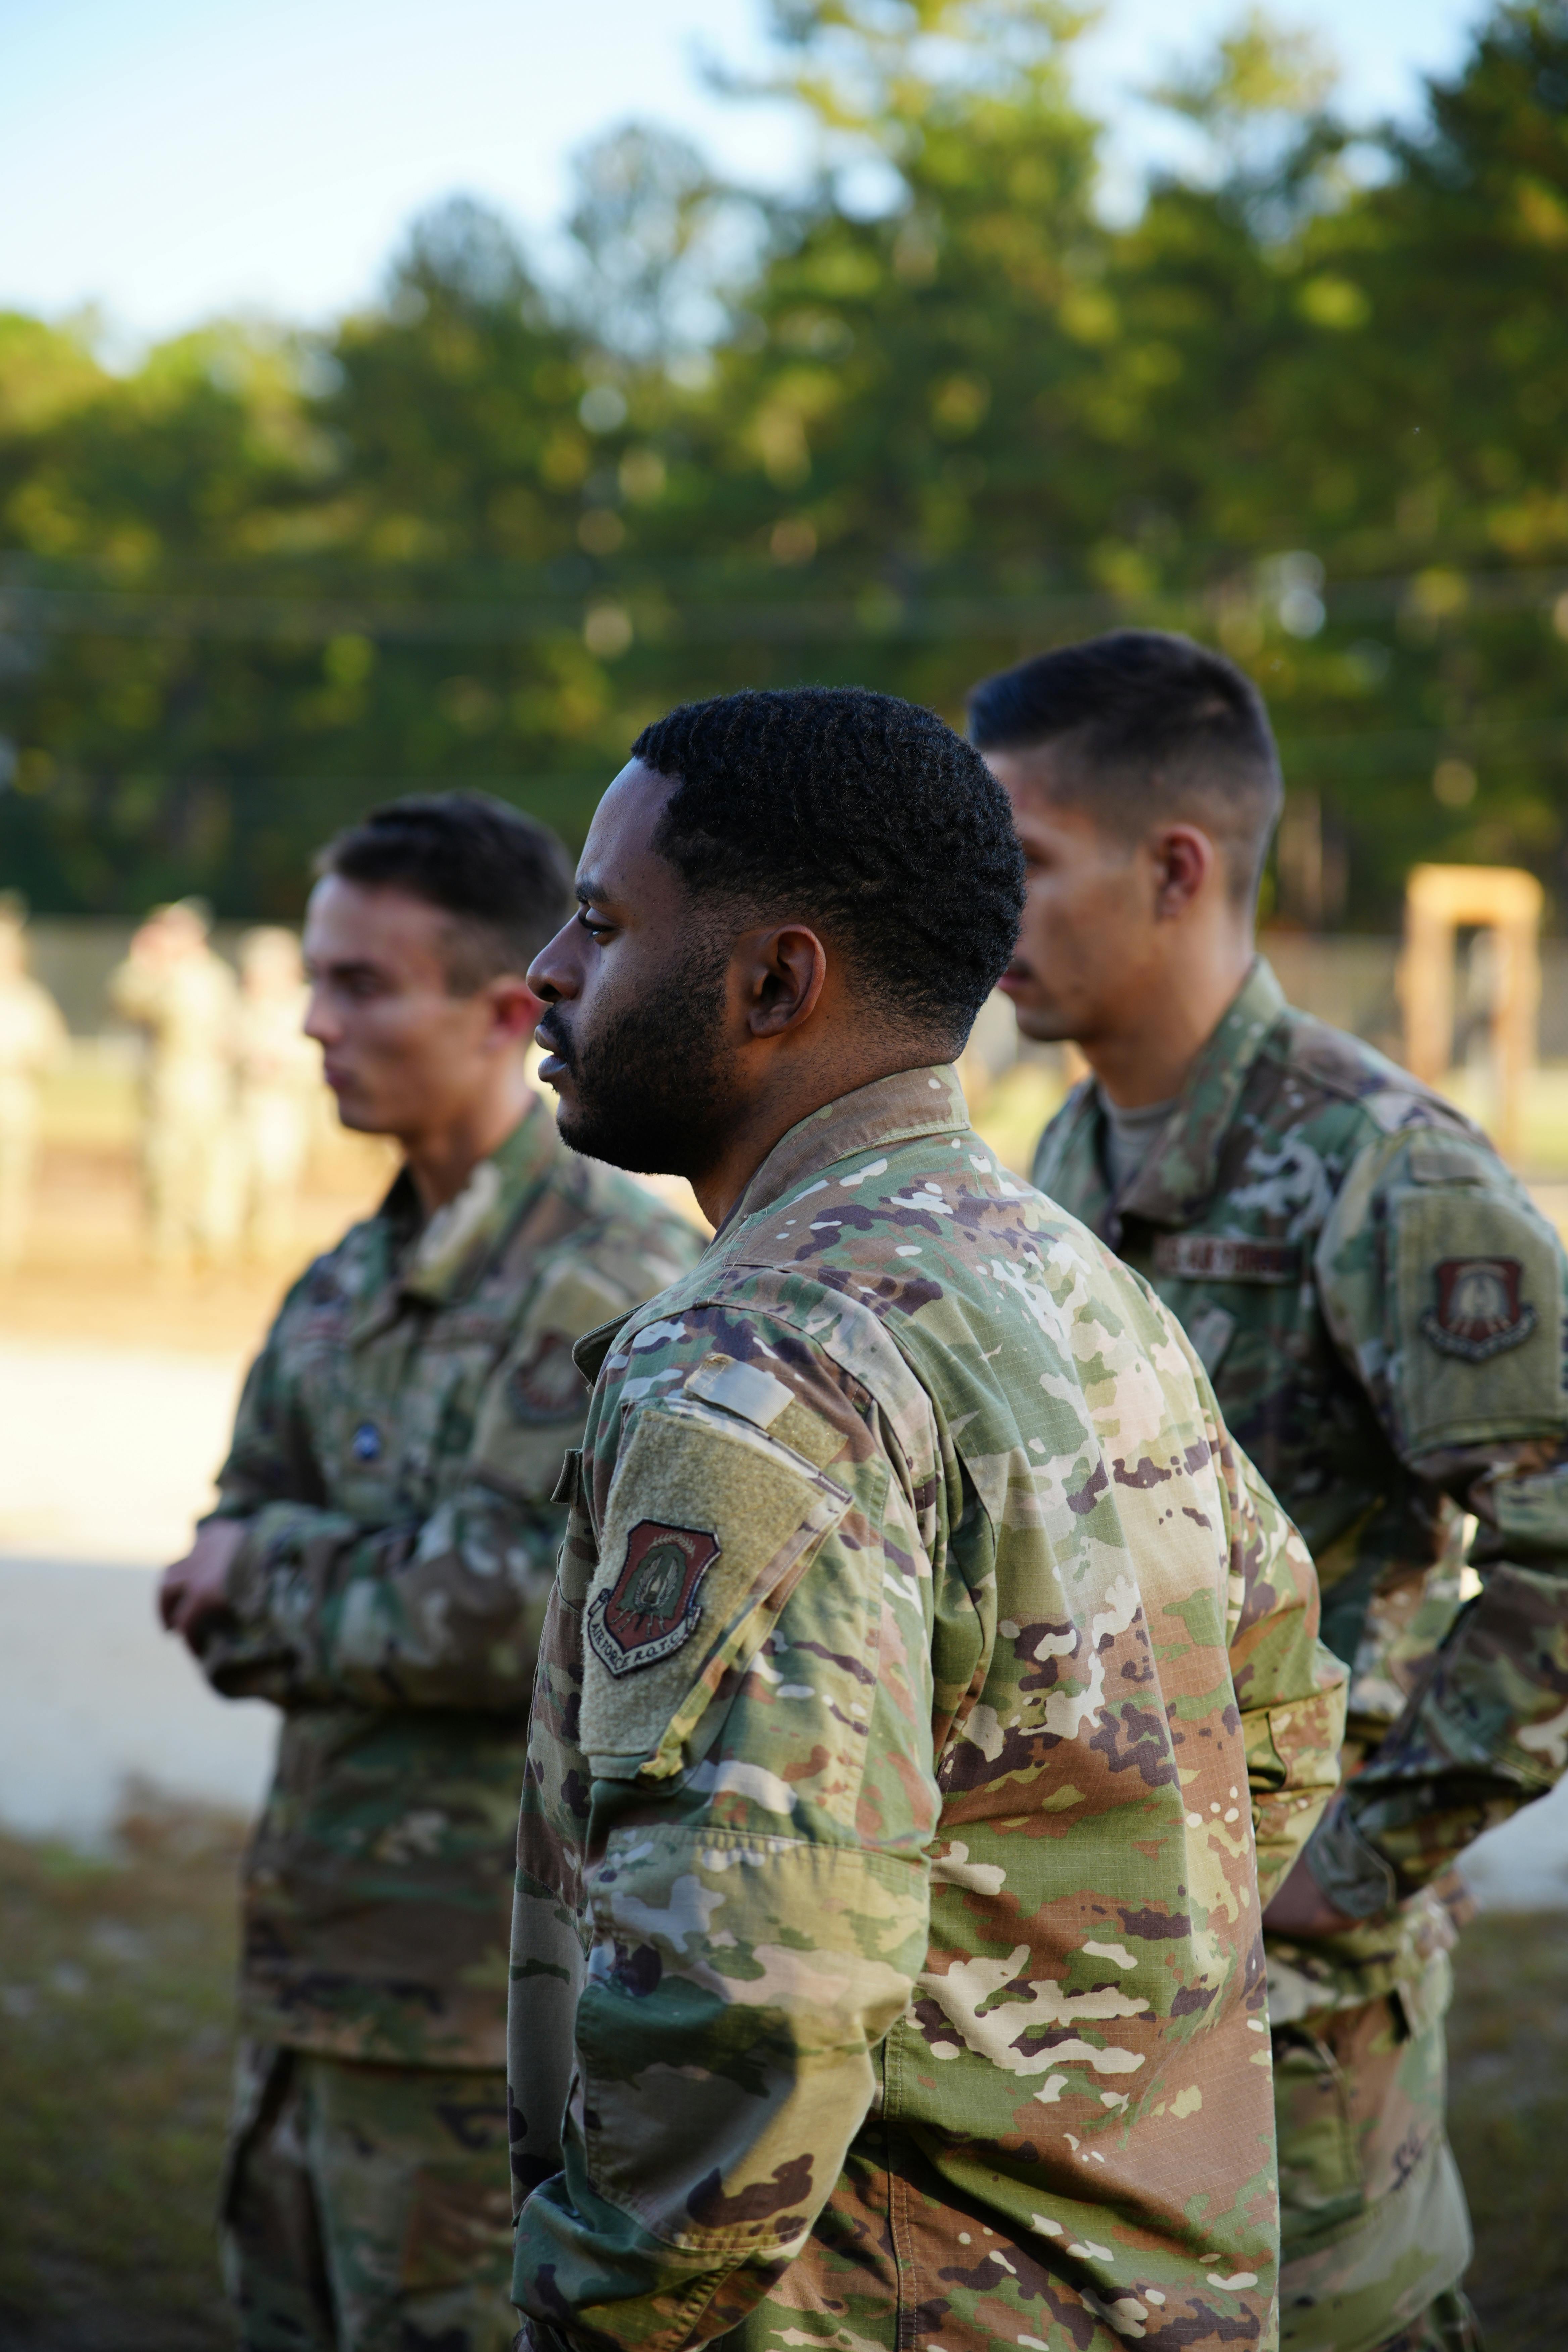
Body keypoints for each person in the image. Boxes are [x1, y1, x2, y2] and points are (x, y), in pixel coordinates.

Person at [506, 687, 1346, 2352]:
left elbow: (750, 1995)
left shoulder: (752, 1365)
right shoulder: (1062, 1273)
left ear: (771, 983)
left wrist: (595, 2318)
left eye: (600, 923)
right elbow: (1282, 1730)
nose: (542, 970)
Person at [971, 627, 1568, 2352]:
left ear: (1174, 866)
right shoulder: (1071, 1153)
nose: (979, 913)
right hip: (1094, 1997)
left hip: (1297, 2023)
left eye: (1017, 864)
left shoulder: (1382, 1172)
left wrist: (1365, 1857)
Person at [157, 792, 703, 2352]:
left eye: (359, 985)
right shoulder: (344, 1281)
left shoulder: (603, 1279)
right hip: (315, 1971)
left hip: (485, 2018)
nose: (313, 1025)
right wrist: (286, 1571)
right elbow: (219, 1550)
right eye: (314, 980)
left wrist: (273, 1570)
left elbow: (515, 1616)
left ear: (502, 1010)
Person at [109, 896, 241, 1264]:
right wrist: (145, 961)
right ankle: (168, 1246)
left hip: (211, 1088)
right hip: (166, 1090)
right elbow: (126, 1001)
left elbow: (232, 1029)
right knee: (164, 1168)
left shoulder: (214, 975)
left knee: (214, 1169)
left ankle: (213, 1243)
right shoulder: (153, 976)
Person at [234, 924, 322, 1256]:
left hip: (283, 1107)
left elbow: (314, 1059)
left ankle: (270, 1244)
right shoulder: (243, 1007)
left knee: (275, 1175)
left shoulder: (302, 1007)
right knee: (236, 1180)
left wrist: (281, 1066)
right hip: (241, 1106)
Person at [0, 893, 67, 1267]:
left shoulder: (30, 1001)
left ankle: (5, 1247)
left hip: (15, 1095)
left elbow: (51, 1054)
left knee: (12, 1175)